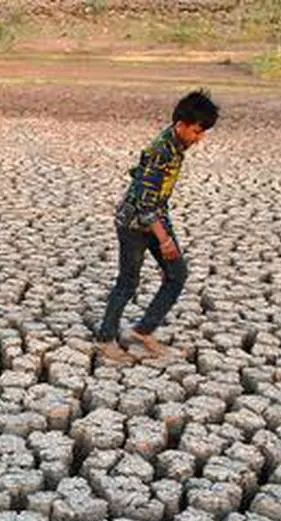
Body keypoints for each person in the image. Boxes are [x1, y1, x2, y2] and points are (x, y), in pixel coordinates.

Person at [96, 88, 219, 364]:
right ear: (181, 125)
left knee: (177, 273)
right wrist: (164, 240)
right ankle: (105, 338)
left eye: (203, 133)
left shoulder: (176, 145)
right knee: (128, 283)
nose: (200, 139)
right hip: (134, 224)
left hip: (156, 219)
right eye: (197, 132)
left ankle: (143, 330)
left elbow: (141, 180)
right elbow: (145, 205)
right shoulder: (161, 152)